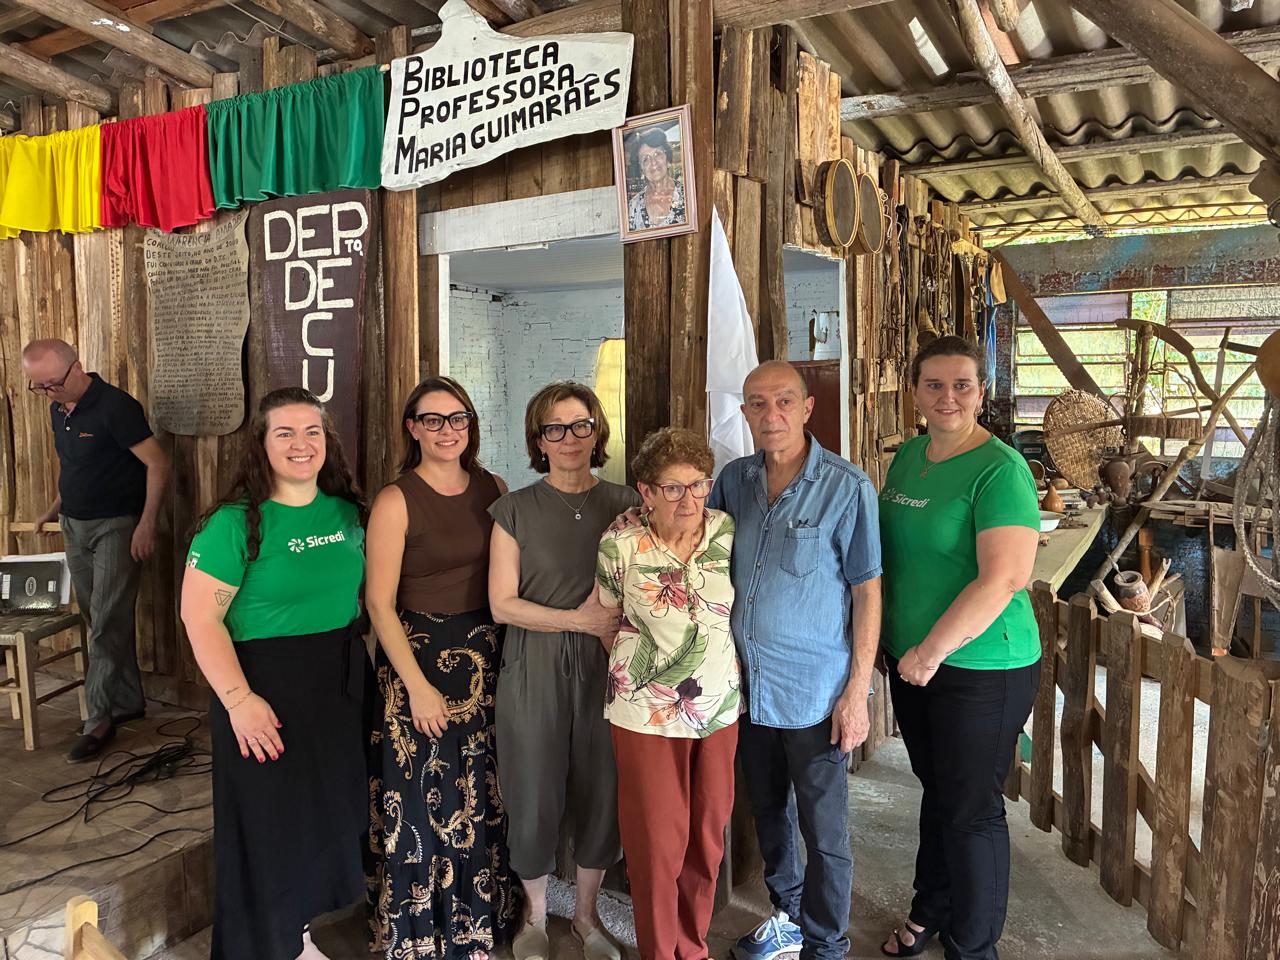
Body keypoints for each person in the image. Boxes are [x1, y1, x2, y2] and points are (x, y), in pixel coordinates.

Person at [180, 388, 369, 960]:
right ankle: (260, 946)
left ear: (327, 442)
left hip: (337, 681)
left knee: (319, 821)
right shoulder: (233, 525)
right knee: (267, 827)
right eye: (283, 433)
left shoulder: (348, 512)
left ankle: (299, 934)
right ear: (260, 445)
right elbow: (199, 616)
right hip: (263, 686)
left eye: (311, 431)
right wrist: (239, 700)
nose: (300, 444)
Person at [877, 336, 1041, 960]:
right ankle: (930, 910)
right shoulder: (909, 457)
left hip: (980, 666)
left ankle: (973, 948)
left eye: (962, 385)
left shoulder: (1001, 469)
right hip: (913, 660)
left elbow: (1003, 578)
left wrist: (930, 650)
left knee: (971, 810)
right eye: (934, 385)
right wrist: (894, 646)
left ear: (981, 392)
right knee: (940, 791)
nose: (948, 397)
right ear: (914, 391)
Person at [712, 360, 882, 960]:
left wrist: (856, 692)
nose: (771, 414)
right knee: (768, 814)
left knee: (824, 829)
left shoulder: (847, 486)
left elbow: (867, 591)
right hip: (745, 689)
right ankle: (786, 914)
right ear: (746, 413)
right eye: (758, 403)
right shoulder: (733, 480)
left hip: (816, 693)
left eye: (784, 401)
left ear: (808, 408)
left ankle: (827, 942)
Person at [365, 377, 518, 960]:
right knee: (424, 797)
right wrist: (417, 687)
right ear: (413, 428)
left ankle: (479, 920)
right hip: (419, 660)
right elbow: (379, 603)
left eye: (458, 418)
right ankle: (420, 932)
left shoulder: (494, 487)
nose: (448, 430)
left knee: (481, 791)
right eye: (434, 420)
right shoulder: (395, 500)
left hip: (487, 654)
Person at [488, 381, 641, 960]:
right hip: (533, 666)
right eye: (555, 428)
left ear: (597, 431)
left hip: (612, 669)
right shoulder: (513, 509)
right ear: (538, 439)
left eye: (580, 425)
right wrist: (580, 622)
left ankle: (585, 916)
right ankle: (533, 916)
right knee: (531, 791)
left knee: (603, 790)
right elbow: (503, 603)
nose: (569, 438)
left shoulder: (628, 505)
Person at [595, 427, 740, 960]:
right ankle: (660, 951)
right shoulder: (621, 542)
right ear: (646, 491)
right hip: (645, 712)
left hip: (719, 708)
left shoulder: (725, 530)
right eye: (673, 488)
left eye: (699, 485)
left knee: (707, 834)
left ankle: (693, 946)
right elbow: (607, 618)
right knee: (657, 844)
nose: (690, 500)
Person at [21, 338, 171, 762]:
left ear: (77, 367)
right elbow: (70, 467)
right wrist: (54, 509)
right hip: (74, 524)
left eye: (53, 384)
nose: (49, 393)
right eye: (40, 387)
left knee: (105, 621)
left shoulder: (116, 408)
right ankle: (126, 702)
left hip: (116, 526)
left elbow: (158, 464)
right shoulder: (58, 410)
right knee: (98, 616)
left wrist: (146, 524)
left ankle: (99, 718)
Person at [627, 126, 686, 231]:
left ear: (667, 158)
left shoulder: (688, 197)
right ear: (641, 170)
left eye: (657, 154)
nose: (653, 163)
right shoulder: (632, 207)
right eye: (646, 159)